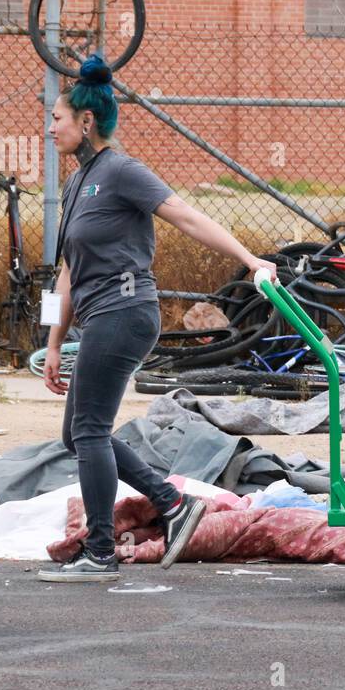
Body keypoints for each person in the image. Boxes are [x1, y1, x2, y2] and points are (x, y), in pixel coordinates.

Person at [37, 54, 277, 582]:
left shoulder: (122, 171)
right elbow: (66, 271)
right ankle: (171, 503)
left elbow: (187, 215)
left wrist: (249, 259)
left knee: (91, 431)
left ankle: (100, 552)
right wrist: (53, 341)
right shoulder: (79, 185)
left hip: (125, 312)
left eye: (57, 118)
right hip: (98, 317)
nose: (49, 127)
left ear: (86, 122)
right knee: (77, 437)